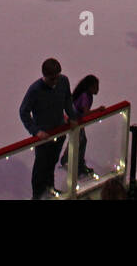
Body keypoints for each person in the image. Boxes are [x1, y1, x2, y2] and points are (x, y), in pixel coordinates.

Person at [18, 58, 79, 199]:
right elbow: (23, 111)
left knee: (52, 161)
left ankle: (50, 188)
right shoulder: (35, 90)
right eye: (52, 79)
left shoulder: (63, 81)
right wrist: (36, 131)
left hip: (60, 131)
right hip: (43, 136)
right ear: (44, 76)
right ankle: (38, 194)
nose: (55, 82)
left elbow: (67, 100)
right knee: (41, 165)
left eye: (57, 77)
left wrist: (72, 117)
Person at [60, 75, 100, 177]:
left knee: (79, 140)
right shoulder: (85, 96)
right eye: (95, 87)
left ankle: (67, 158)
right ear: (89, 87)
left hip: (76, 120)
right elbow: (86, 113)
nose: (97, 89)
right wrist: (98, 110)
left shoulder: (86, 95)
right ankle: (78, 165)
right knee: (81, 140)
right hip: (74, 121)